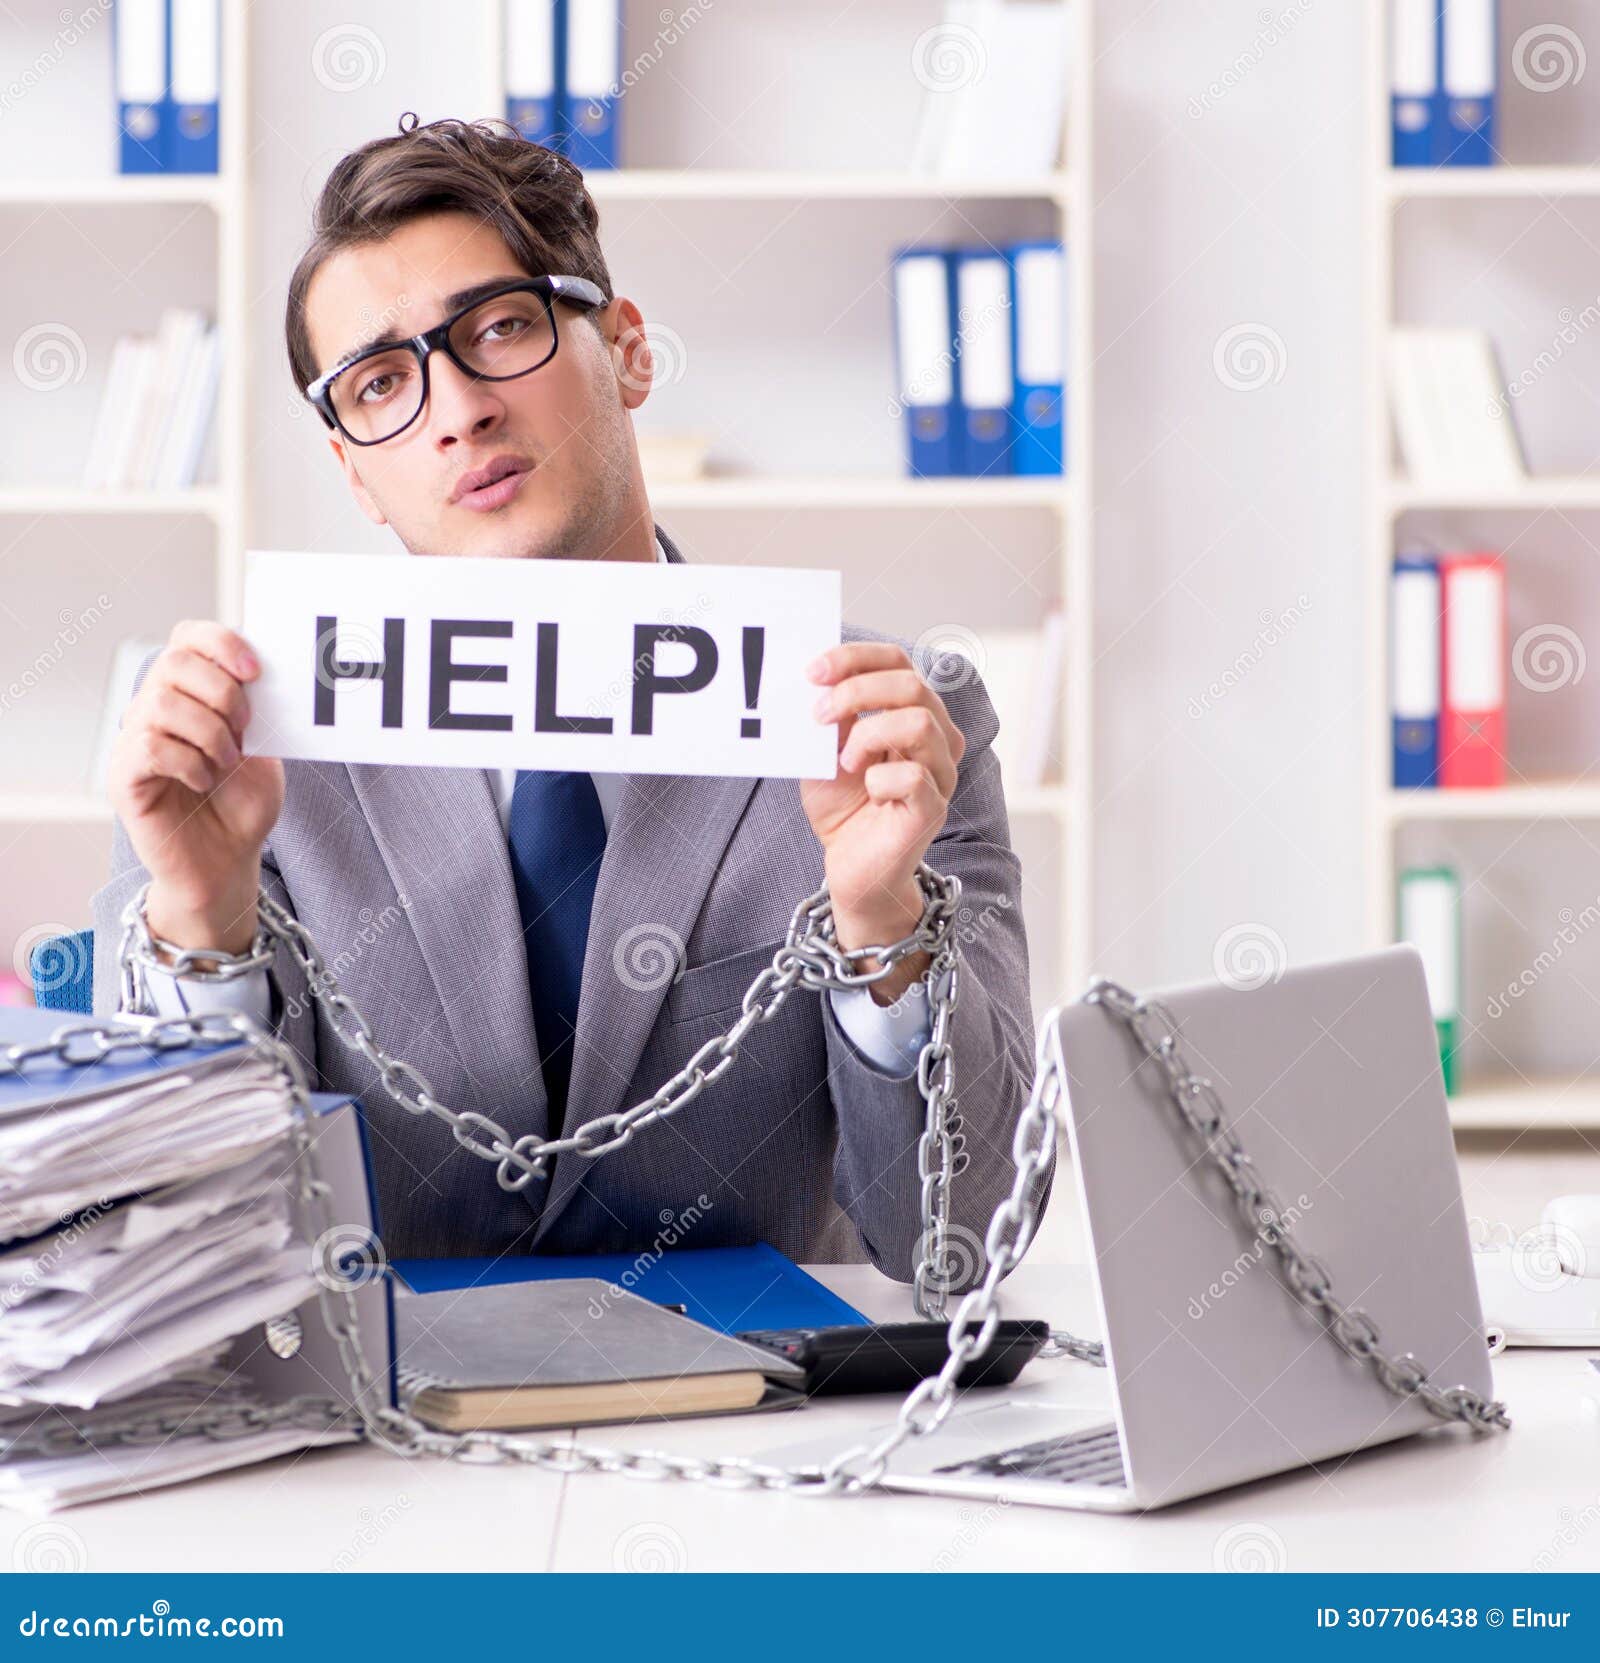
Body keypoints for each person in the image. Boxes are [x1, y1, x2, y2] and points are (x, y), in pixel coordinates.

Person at [92, 115, 1046, 1278]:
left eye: (498, 328)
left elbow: (963, 1238)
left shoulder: (888, 727)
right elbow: (159, 1258)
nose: (457, 410)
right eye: (383, 381)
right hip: (382, 1445)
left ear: (630, 351)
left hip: (773, 1426)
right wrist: (199, 919)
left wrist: (881, 925)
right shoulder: (234, 747)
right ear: (354, 471)